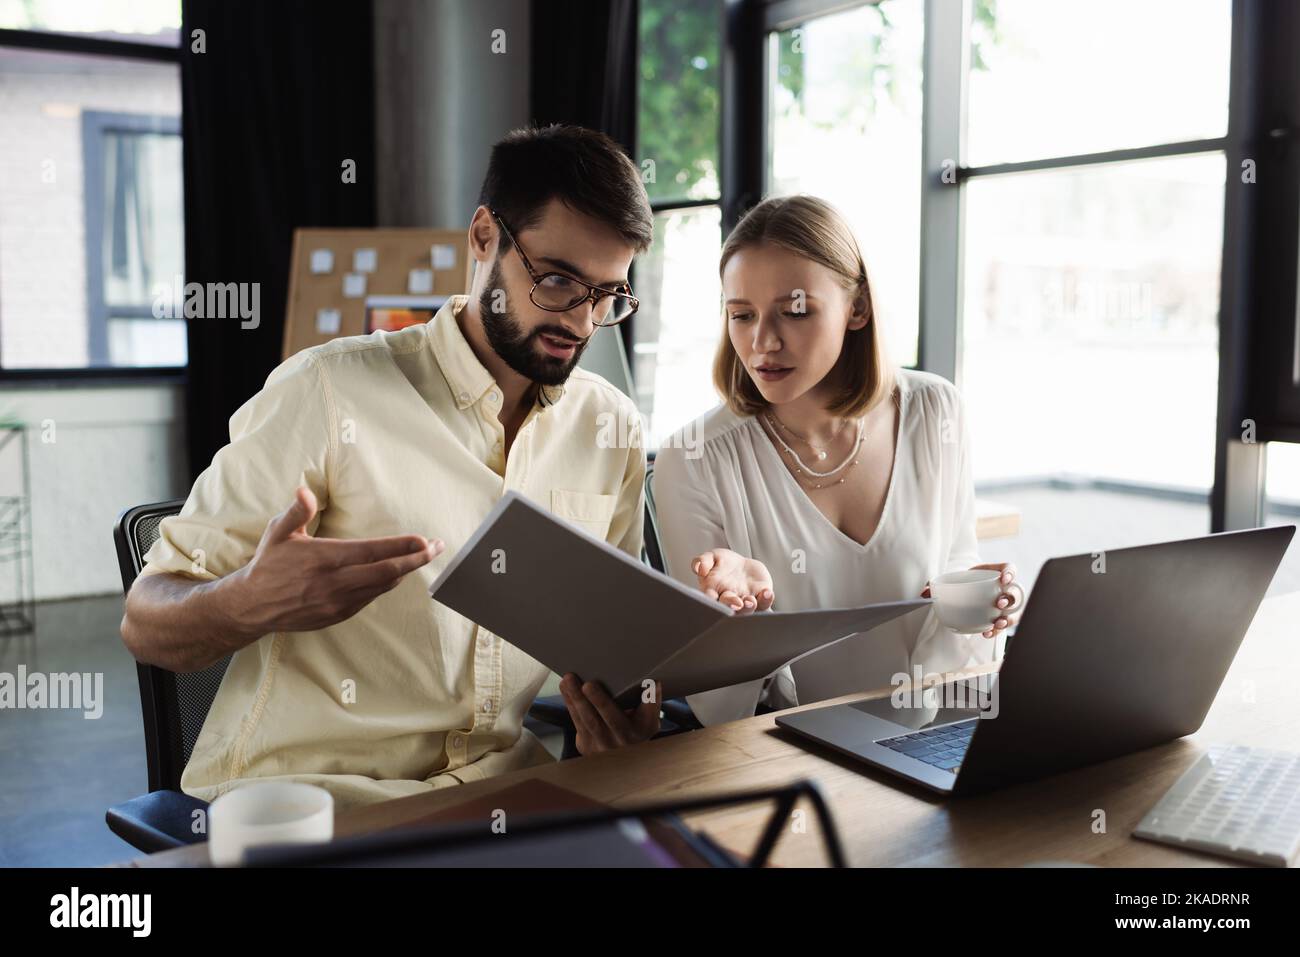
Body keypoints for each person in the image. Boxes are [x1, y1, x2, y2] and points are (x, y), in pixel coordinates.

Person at [120, 125, 661, 808]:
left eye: (607, 294)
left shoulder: (608, 427)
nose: (580, 321)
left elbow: (612, 643)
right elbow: (145, 621)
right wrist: (247, 600)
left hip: (504, 797)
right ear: (483, 237)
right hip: (311, 805)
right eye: (556, 280)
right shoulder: (326, 391)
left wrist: (628, 710)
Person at [653, 195, 1023, 726]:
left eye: (795, 310)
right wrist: (741, 620)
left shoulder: (935, 410)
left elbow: (956, 611)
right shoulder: (694, 459)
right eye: (741, 315)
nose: (762, 342)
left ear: (859, 308)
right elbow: (715, 709)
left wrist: (988, 605)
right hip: (786, 762)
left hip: (925, 744)